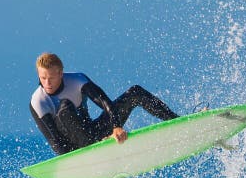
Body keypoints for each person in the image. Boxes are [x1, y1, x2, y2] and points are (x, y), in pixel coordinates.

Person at [29, 53, 179, 155]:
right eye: (43, 78)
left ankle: (177, 121)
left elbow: (105, 103)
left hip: (94, 134)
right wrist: (80, 167)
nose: (47, 83)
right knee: (65, 106)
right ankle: (89, 153)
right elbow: (55, 141)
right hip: (76, 150)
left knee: (135, 92)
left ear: (61, 73)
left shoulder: (77, 81)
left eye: (51, 78)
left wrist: (116, 126)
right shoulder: (38, 101)